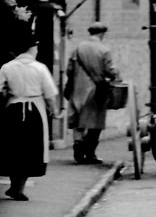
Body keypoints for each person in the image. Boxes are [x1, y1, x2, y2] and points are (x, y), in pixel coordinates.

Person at [0, 34, 59, 201]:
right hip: (35, 110)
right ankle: (19, 188)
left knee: (13, 147)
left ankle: (14, 186)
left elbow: (0, 88)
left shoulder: (7, 67)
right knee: (30, 149)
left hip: (12, 109)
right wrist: (53, 110)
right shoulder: (39, 68)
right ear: (32, 49)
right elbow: (50, 94)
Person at [65, 21, 120, 165]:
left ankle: (78, 142)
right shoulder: (104, 50)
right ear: (102, 34)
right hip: (96, 89)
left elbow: (69, 69)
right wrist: (116, 76)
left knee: (78, 120)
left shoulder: (78, 48)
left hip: (77, 88)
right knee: (95, 123)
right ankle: (90, 153)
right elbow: (110, 71)